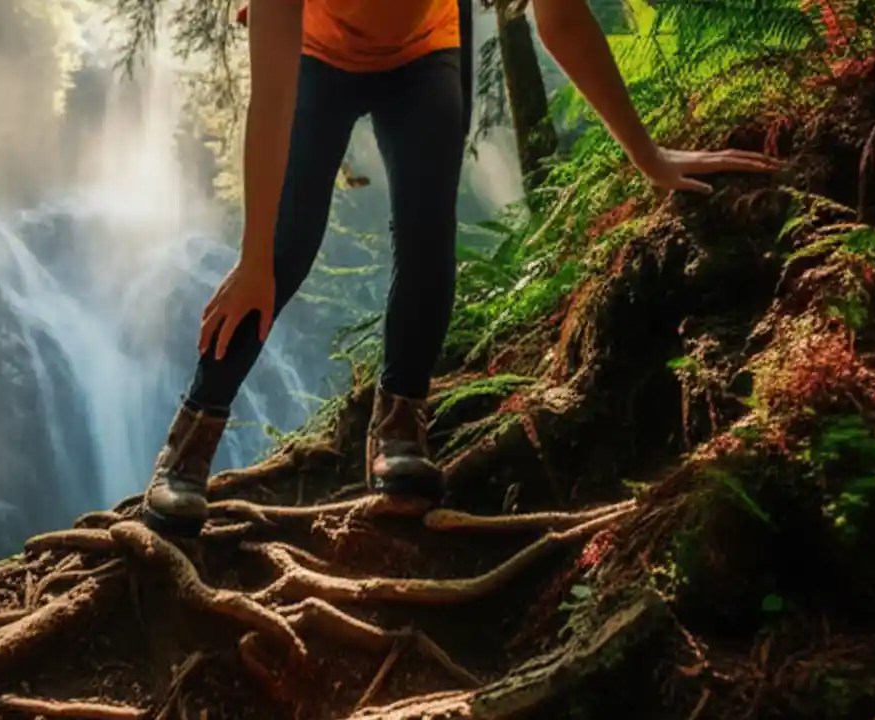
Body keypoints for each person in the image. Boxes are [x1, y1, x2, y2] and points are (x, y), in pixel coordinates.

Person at [139, 0, 779, 536]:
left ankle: (399, 430)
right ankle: (188, 448)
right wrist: (254, 260)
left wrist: (649, 156)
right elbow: (272, 103)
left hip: (424, 54)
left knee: (426, 232)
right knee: (286, 247)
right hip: (316, 56)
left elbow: (563, 21)